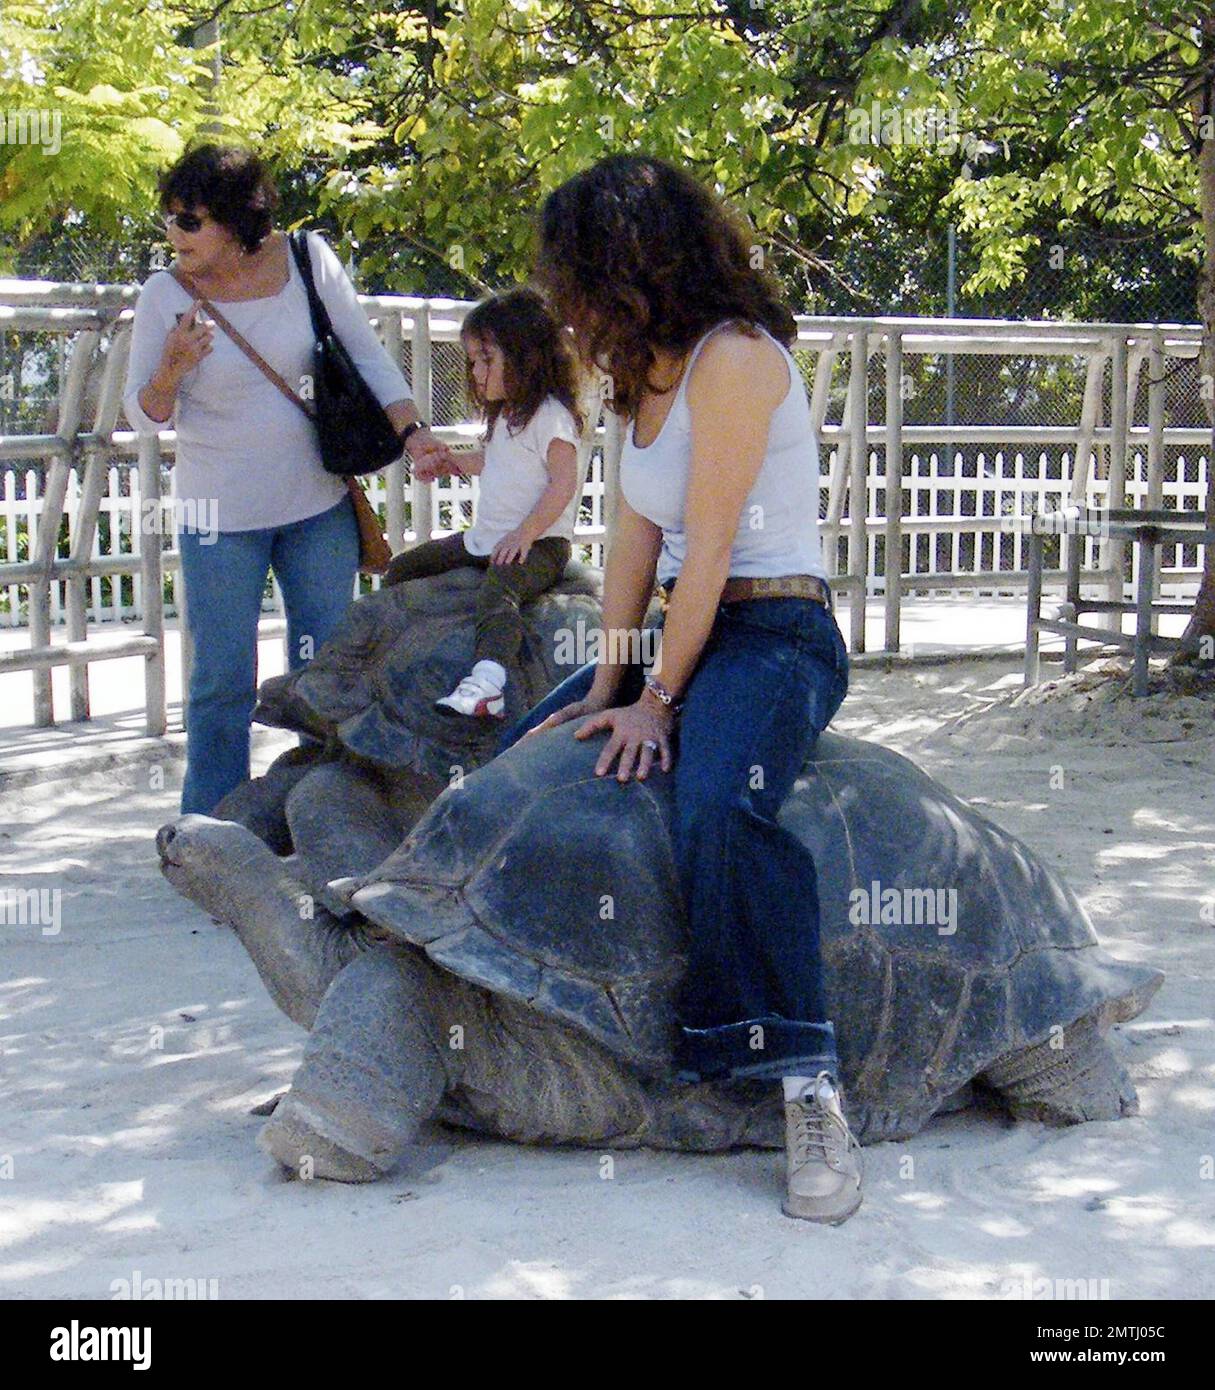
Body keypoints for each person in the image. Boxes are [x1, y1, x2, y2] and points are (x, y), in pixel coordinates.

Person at [497, 154, 862, 1224]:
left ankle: (807, 1084)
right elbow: (633, 550)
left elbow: (707, 559)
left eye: (573, 275)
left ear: (629, 263)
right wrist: (606, 682)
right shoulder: (641, 378)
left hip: (775, 628)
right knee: (530, 743)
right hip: (688, 627)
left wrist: (661, 699)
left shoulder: (736, 359)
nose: (561, 302)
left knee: (718, 804)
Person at [122, 144, 446, 815]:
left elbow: (365, 353)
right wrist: (171, 368)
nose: (173, 234)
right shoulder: (164, 293)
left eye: (189, 220)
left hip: (316, 506)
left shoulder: (306, 261)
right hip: (219, 518)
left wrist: (414, 432)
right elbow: (145, 415)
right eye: (169, 219)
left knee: (327, 668)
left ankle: (326, 810)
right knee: (221, 680)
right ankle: (210, 825)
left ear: (239, 223)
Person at [383, 287, 582, 719]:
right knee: (403, 569)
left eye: (485, 359)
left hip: (540, 544)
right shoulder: (505, 415)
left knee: (500, 592)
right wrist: (452, 463)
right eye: (472, 360)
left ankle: (488, 681)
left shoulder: (550, 415)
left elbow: (564, 482)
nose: (475, 371)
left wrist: (527, 532)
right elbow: (494, 462)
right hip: (487, 539)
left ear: (526, 356)